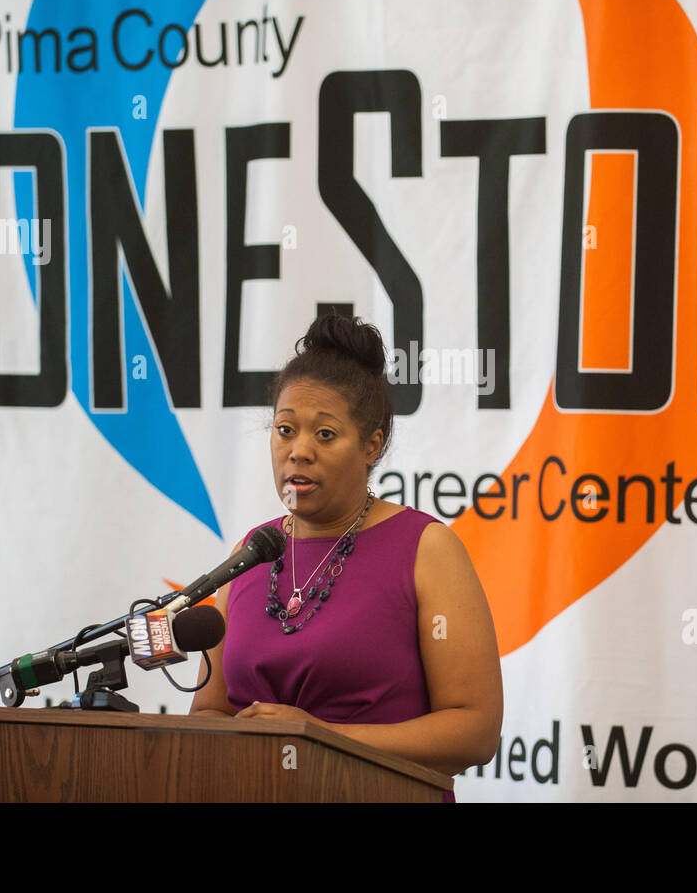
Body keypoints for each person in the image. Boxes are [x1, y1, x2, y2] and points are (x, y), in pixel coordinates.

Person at [189, 313, 503, 786]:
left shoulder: (426, 549)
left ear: (371, 445)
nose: (298, 451)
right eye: (285, 430)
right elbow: (208, 712)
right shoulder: (251, 553)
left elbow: (474, 732)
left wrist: (320, 737)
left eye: (326, 434)